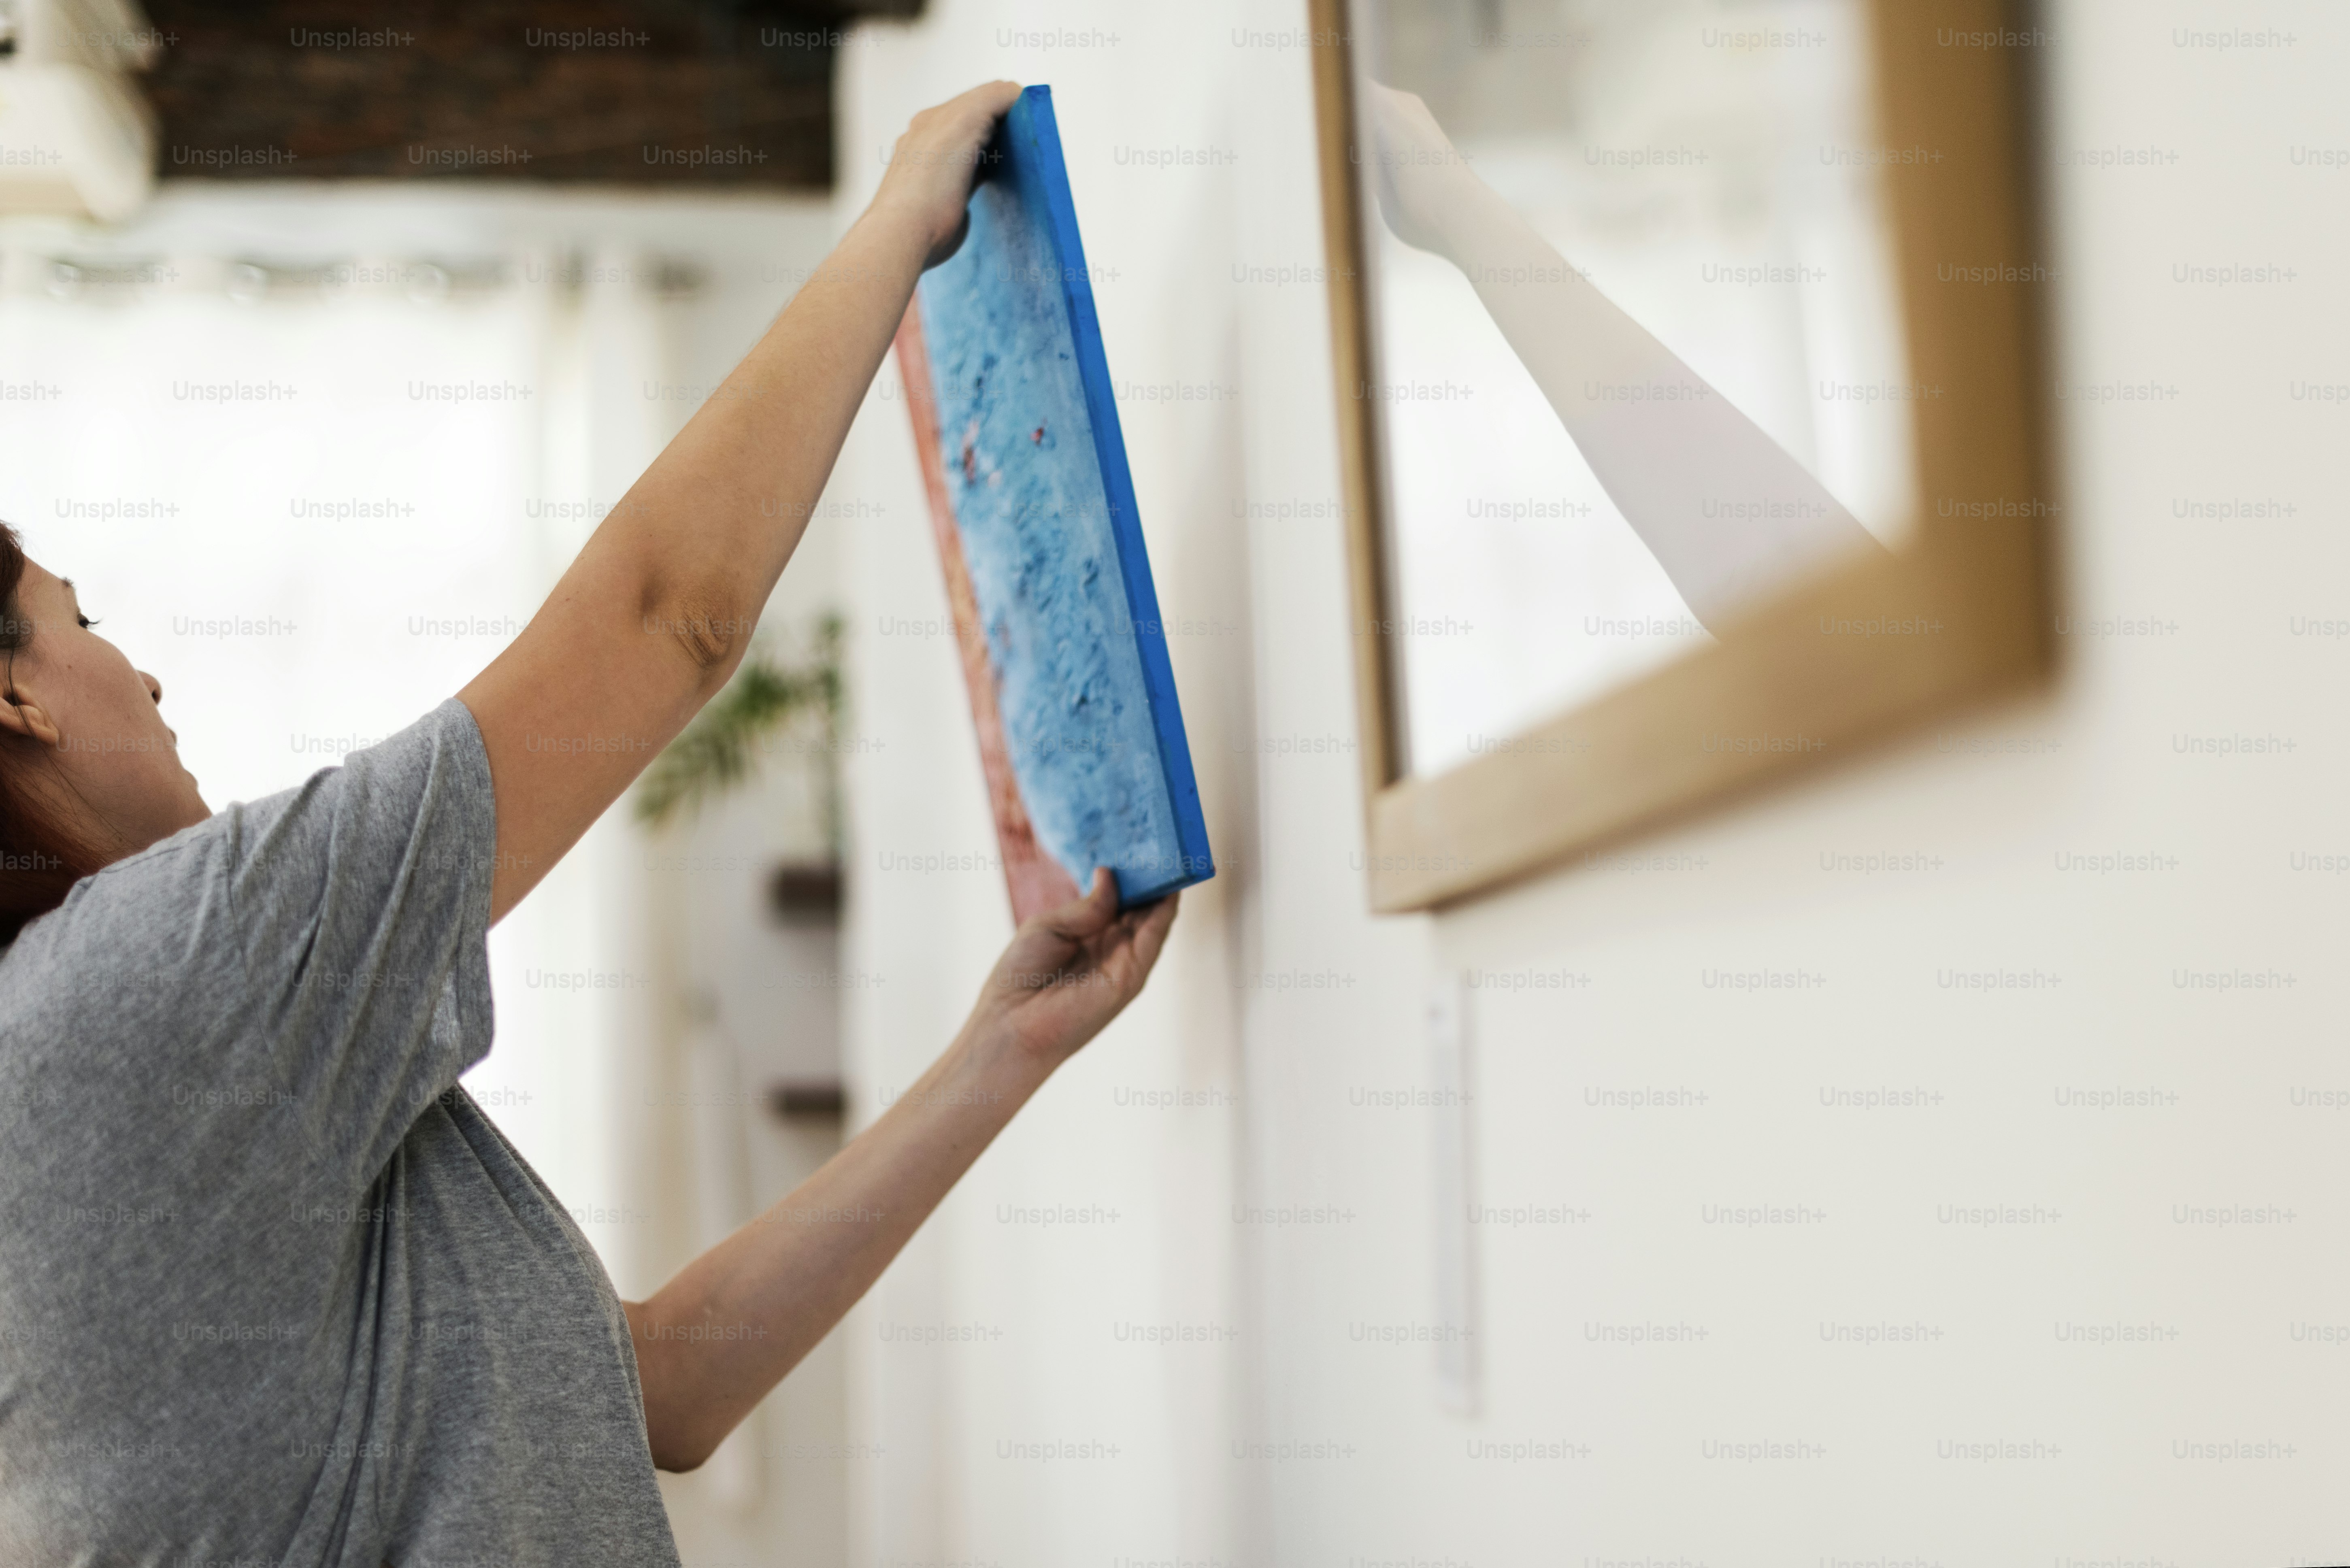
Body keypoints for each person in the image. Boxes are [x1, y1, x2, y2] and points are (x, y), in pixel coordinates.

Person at [0, 80, 1175, 1566]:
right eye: (78, 620)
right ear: (16, 707)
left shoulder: (185, 1081)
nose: (142, 666)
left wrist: (996, 1054)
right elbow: (663, 619)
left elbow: (650, 1395)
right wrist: (897, 218)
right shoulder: (143, 992)